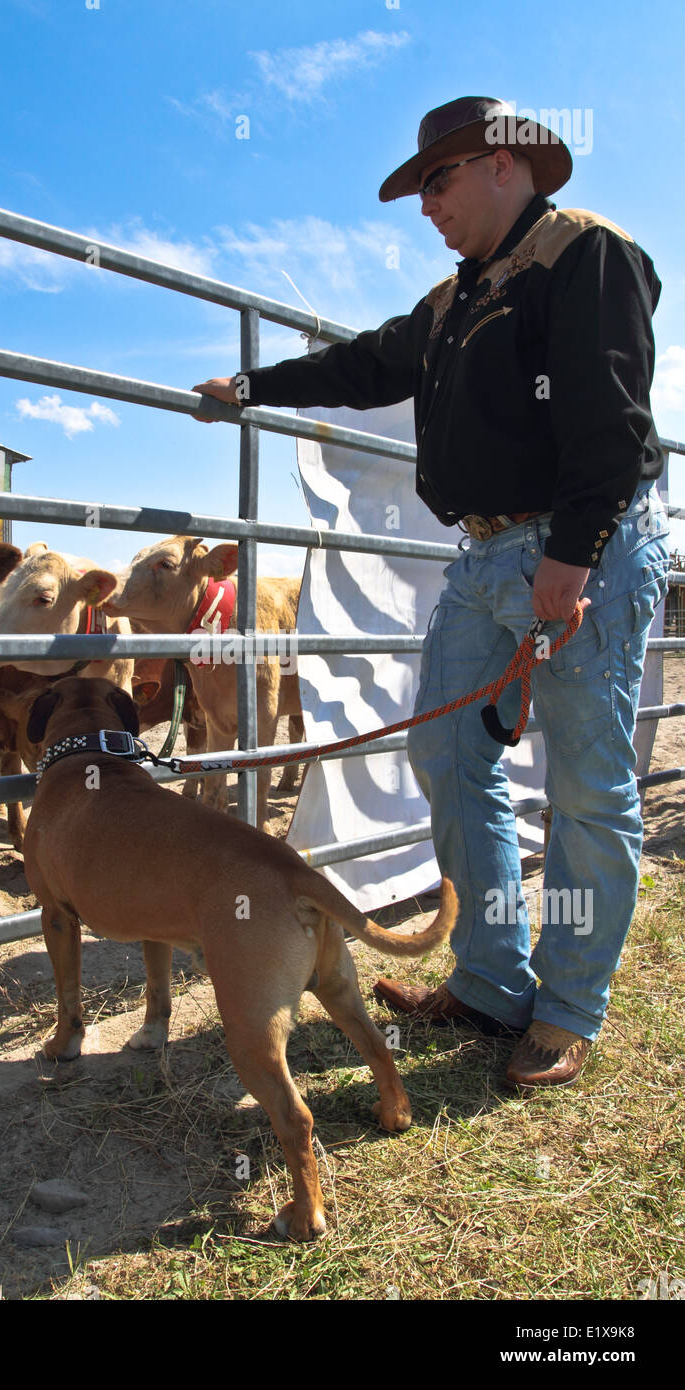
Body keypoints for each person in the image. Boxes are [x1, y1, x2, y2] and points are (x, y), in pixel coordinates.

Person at [192, 96, 670, 1089]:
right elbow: (365, 364)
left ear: (502, 164)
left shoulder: (584, 255)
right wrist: (251, 389)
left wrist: (572, 556)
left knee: (586, 784)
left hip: (572, 551)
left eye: (435, 182)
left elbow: (612, 415)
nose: (424, 205)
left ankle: (569, 1004)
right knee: (446, 755)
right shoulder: (456, 300)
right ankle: (493, 981)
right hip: (483, 556)